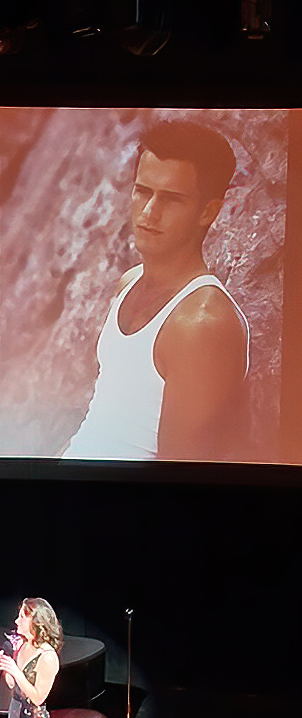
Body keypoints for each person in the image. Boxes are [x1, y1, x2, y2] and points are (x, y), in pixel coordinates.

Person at [63, 120, 249, 462]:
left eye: (172, 199)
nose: (149, 212)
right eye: (143, 191)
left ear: (208, 211)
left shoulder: (200, 324)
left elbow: (182, 479)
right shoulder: (128, 283)